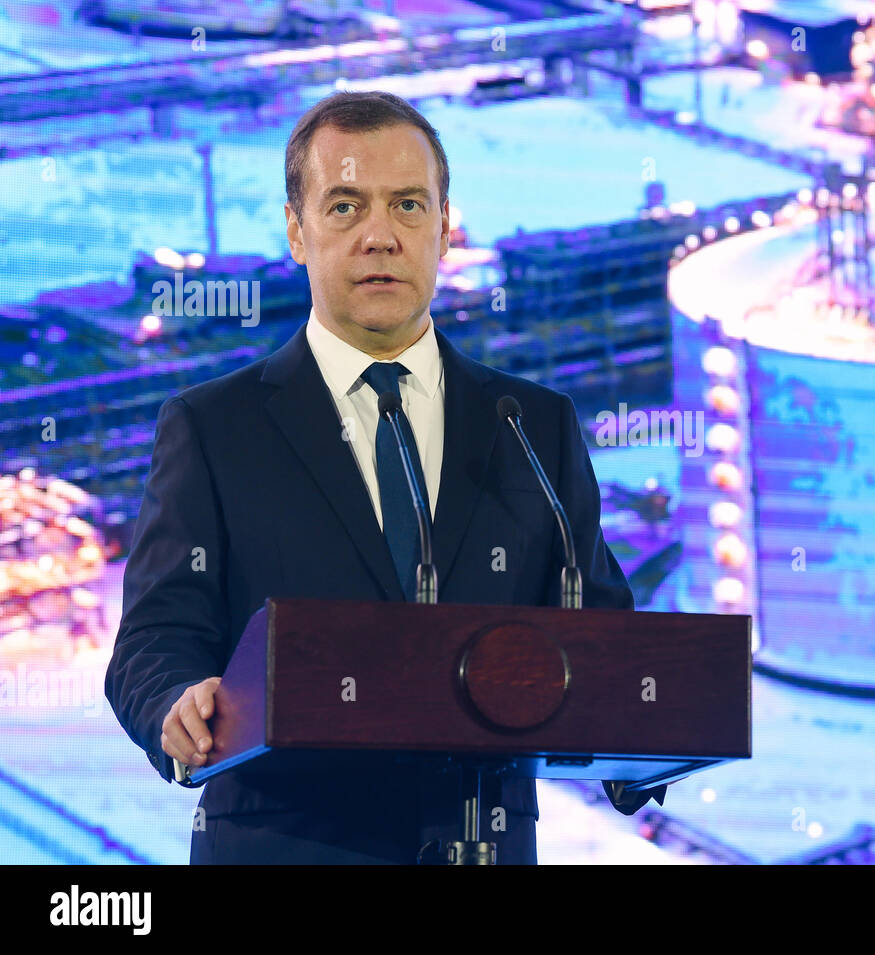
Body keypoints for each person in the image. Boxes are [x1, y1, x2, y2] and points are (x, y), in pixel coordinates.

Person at [105, 90, 665, 865]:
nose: (381, 236)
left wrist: (643, 731)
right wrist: (174, 701)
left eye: (407, 204)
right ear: (297, 232)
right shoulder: (213, 428)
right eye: (344, 206)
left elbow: (604, 636)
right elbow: (153, 640)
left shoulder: (534, 425)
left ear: (443, 227)